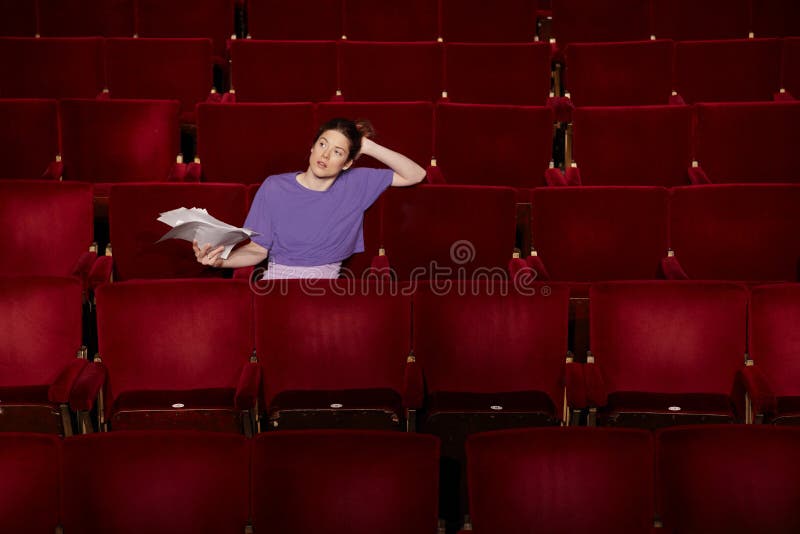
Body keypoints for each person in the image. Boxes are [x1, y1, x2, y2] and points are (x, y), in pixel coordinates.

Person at [193, 118, 426, 278]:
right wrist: (220, 261)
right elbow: (257, 251)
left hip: (324, 291)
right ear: (312, 147)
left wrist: (367, 146)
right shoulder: (274, 187)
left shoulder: (357, 183)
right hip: (276, 285)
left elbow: (416, 174)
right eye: (322, 144)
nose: (325, 154)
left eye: (337, 152)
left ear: (347, 163)